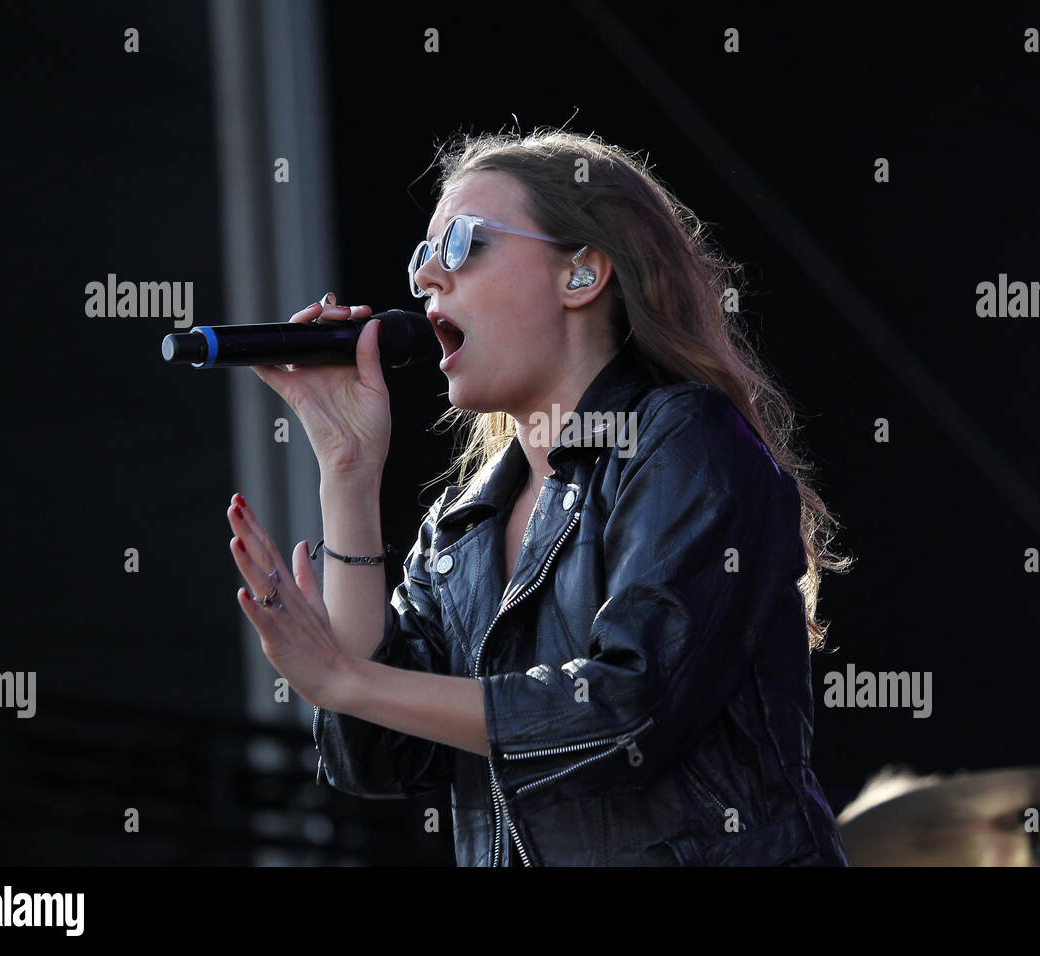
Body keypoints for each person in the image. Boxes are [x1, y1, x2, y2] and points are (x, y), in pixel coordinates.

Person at [225, 128, 853, 866]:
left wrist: (348, 679)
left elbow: (627, 709)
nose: (428, 278)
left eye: (461, 244)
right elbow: (379, 750)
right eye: (421, 257)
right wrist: (349, 470)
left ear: (581, 275)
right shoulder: (463, 529)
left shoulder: (684, 440)